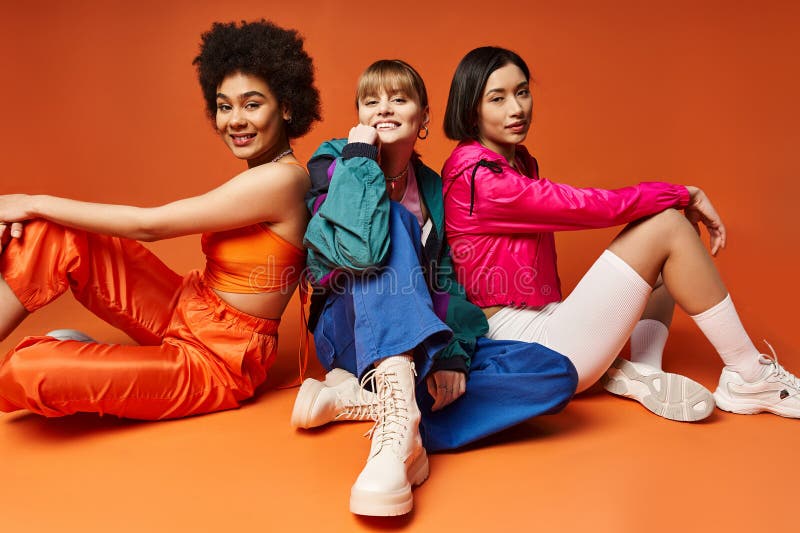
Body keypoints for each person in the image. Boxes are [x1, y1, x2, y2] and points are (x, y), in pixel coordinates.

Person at [440, 46, 800, 422]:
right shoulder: (478, 176)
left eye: (523, 91)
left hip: (545, 319)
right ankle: (749, 375)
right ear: (471, 109)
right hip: (526, 345)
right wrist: (683, 193)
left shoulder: (515, 161)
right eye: (497, 98)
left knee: (663, 263)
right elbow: (585, 206)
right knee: (667, 226)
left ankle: (646, 369)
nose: (517, 108)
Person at [291, 59, 578, 517]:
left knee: (553, 373)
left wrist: (450, 355)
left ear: (423, 117)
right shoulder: (332, 161)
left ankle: (377, 406)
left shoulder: (431, 186)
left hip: (420, 328)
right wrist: (362, 156)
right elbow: (361, 250)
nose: (384, 109)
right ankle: (392, 447)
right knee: (395, 223)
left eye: (398, 99)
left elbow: (449, 280)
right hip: (349, 329)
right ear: (359, 114)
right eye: (371, 101)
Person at [0, 20, 320, 420]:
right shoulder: (261, 172)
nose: (235, 120)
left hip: (214, 361)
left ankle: (75, 359)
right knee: (55, 234)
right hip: (185, 305)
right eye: (224, 106)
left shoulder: (283, 180)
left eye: (252, 104)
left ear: (287, 106)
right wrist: (35, 212)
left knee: (27, 371)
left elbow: (150, 225)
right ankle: (82, 357)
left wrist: (30, 201)